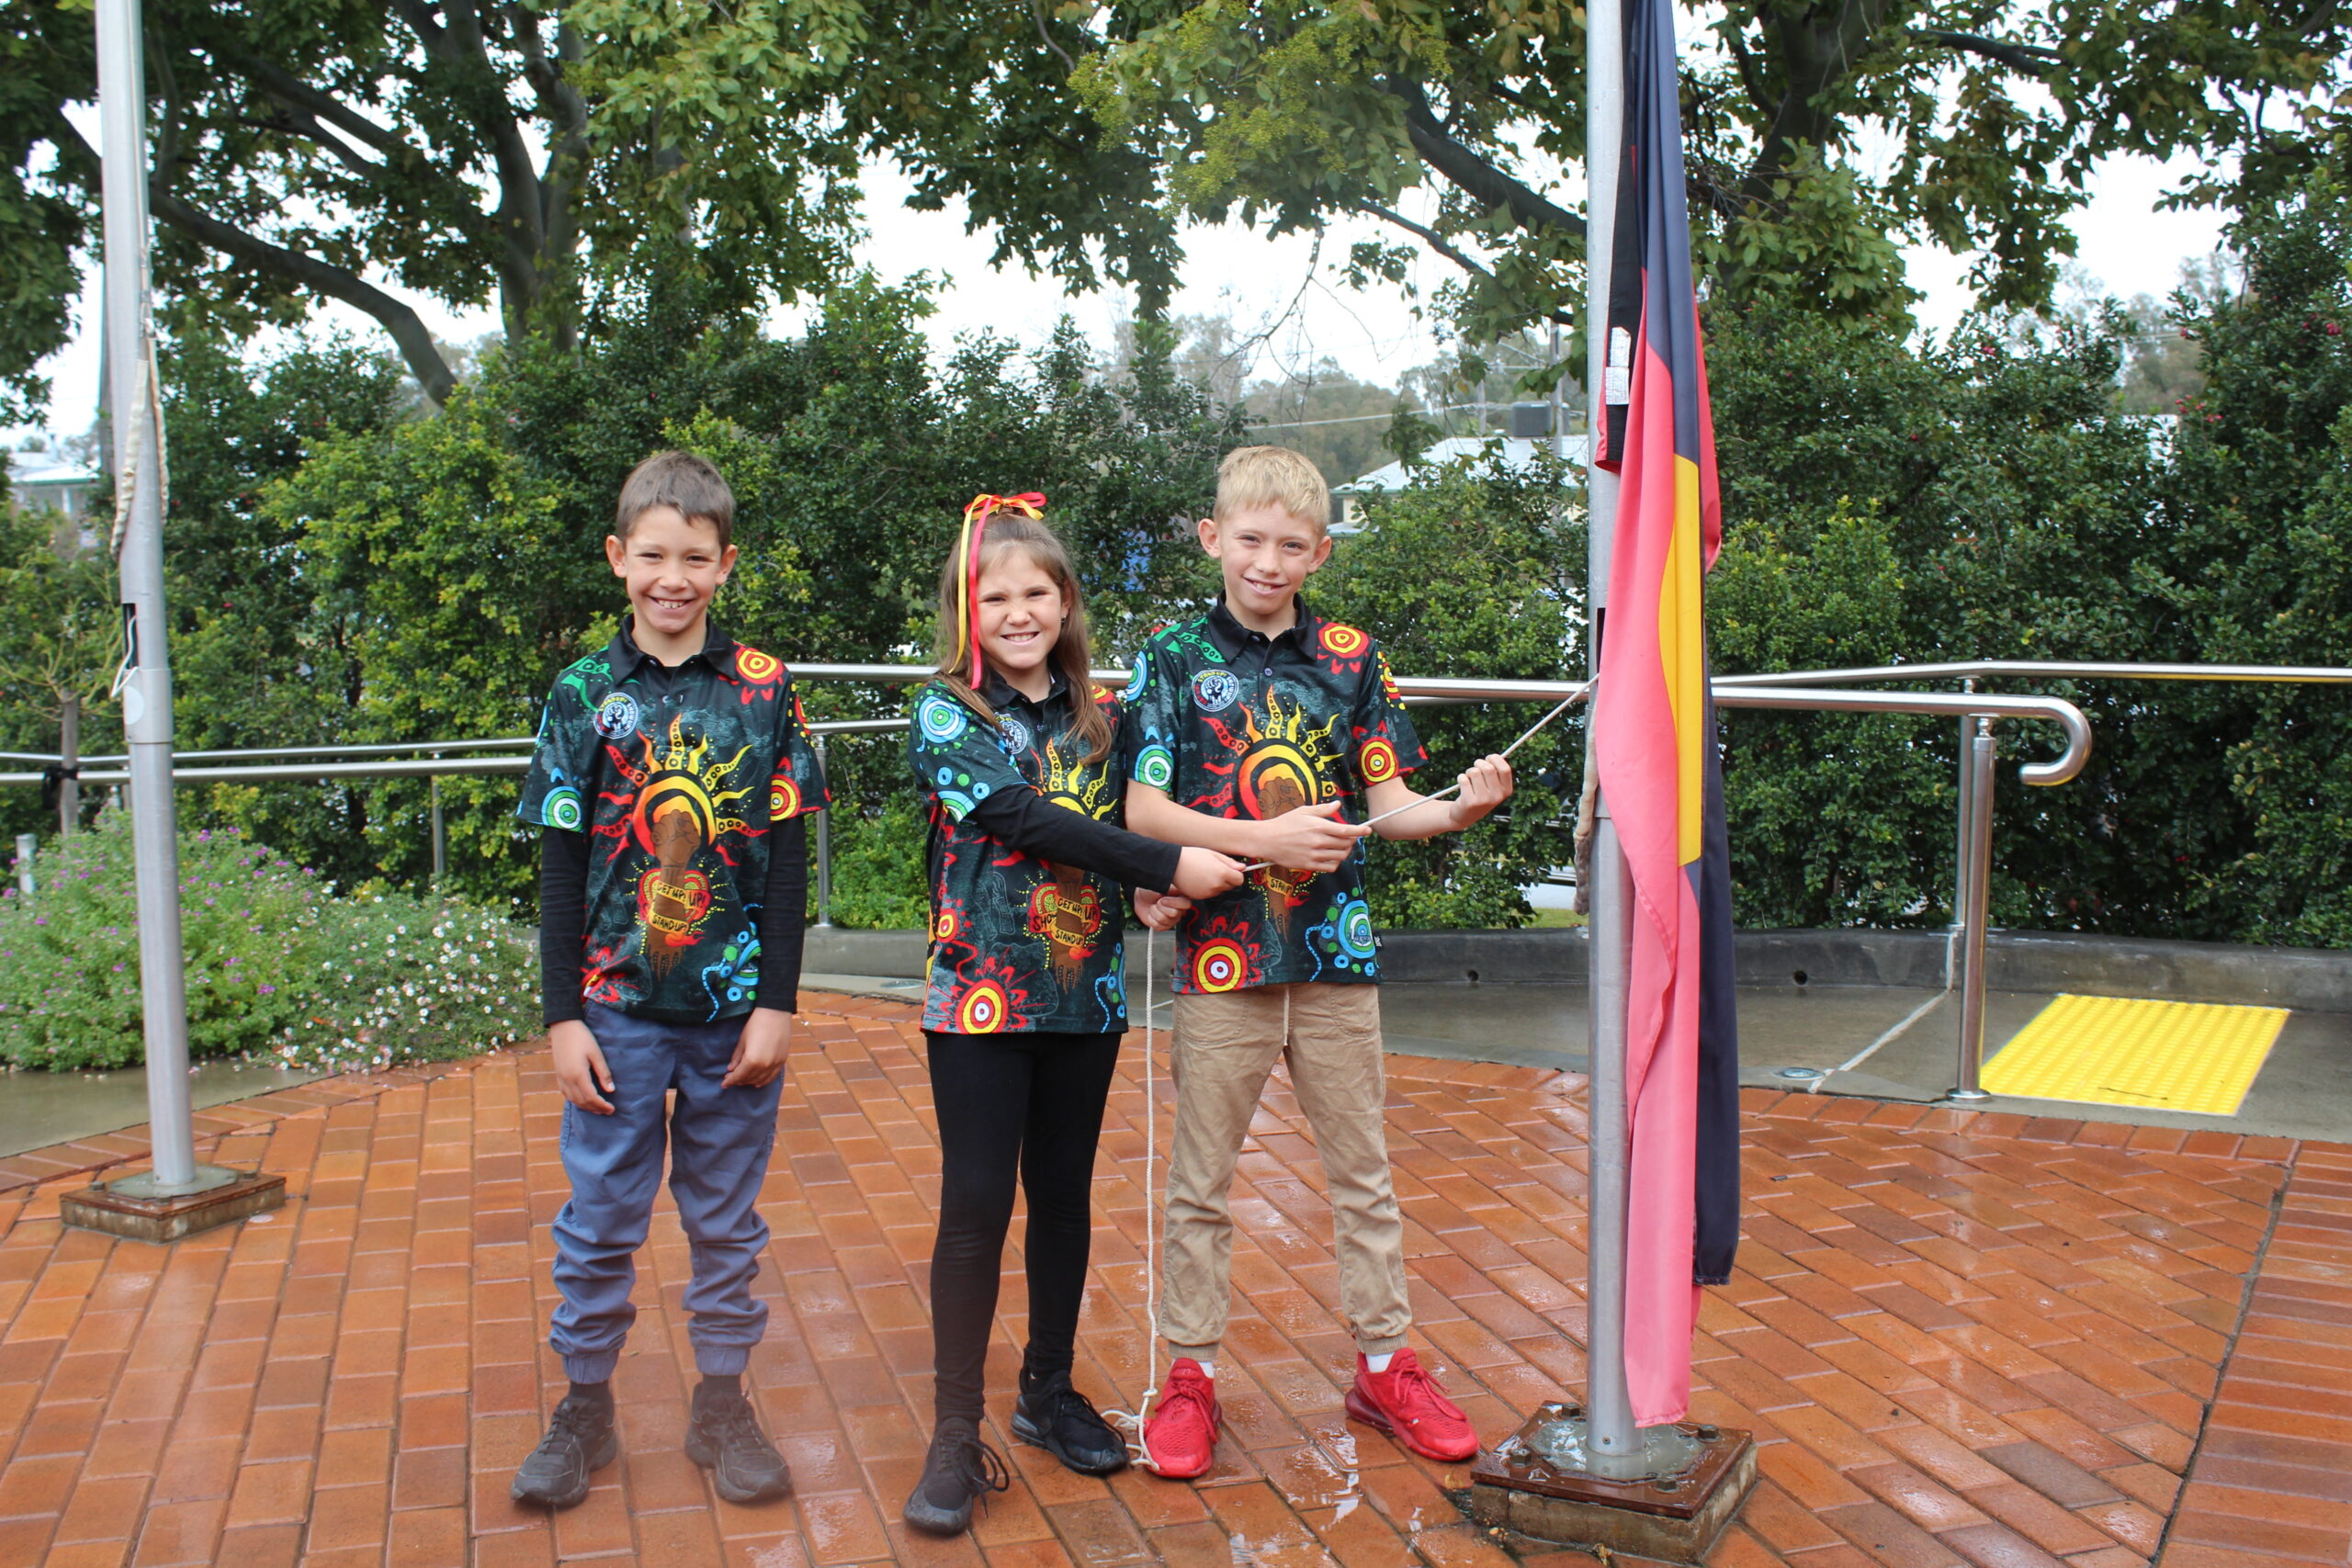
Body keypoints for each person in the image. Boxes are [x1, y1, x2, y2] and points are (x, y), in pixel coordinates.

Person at [1119, 446, 1516, 1479]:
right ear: (1213, 538)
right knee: (1201, 1184)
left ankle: (1385, 1365)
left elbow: (1394, 809)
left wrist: (1461, 807)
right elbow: (1145, 812)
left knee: (1363, 1178)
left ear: (1319, 552)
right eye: (1249, 539)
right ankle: (1190, 1375)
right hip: (1221, 964)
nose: (1267, 560)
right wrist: (1268, 842)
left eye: (1290, 544)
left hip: (1335, 960)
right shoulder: (1166, 659)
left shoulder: (1352, 657)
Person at [899, 493, 1246, 1535]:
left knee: (1061, 1199)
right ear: (966, 611)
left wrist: (1150, 889)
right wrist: (1163, 860)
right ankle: (953, 1432)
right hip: (975, 1001)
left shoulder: (1106, 716)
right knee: (974, 1208)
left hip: (1082, 996)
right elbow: (1020, 816)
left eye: (1034, 591)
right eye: (992, 595)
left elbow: (1112, 823)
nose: (1015, 611)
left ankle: (1045, 1391)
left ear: (1065, 601)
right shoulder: (946, 710)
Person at [510, 450, 828, 1510]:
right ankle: (585, 1409)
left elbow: (785, 862)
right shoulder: (580, 694)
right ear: (618, 558)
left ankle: (721, 1407)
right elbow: (560, 865)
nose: (673, 576)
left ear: (725, 564)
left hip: (734, 1019)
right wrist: (563, 1018)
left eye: (695, 557)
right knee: (600, 1218)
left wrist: (778, 1001)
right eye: (653, 554)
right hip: (616, 1014)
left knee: (725, 1223)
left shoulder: (764, 690)